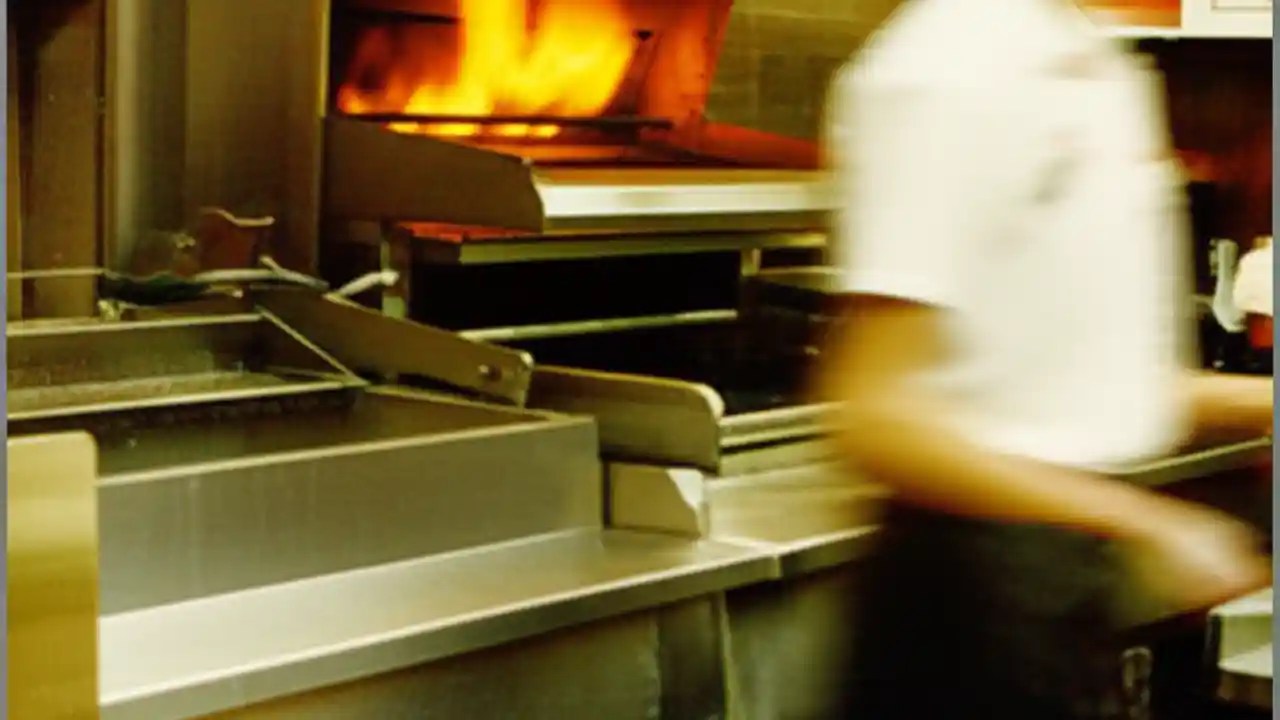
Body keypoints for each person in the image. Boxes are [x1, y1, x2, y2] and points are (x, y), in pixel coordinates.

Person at [818, 1, 1273, 718]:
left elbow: (1098, 382)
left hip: (1058, 584)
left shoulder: (1095, 65)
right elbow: (881, 415)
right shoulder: (950, 62)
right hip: (964, 605)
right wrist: (1150, 522)